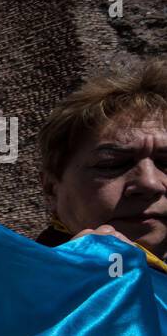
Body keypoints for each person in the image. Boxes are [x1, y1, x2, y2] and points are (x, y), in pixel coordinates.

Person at [34, 59, 167, 270]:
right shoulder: (13, 292)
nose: (150, 183)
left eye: (165, 164)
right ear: (51, 187)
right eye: (111, 164)